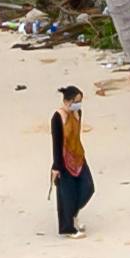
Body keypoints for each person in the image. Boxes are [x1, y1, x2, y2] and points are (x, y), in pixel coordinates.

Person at [48, 88, 94, 237]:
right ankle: (68, 227)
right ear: (67, 101)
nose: (78, 104)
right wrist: (57, 166)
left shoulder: (78, 113)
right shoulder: (57, 117)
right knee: (67, 194)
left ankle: (73, 214)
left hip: (78, 156)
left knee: (88, 187)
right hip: (64, 159)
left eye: (80, 101)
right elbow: (56, 142)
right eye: (76, 101)